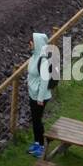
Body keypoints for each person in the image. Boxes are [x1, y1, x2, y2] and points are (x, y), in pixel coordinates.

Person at [25, 31, 55, 159]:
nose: (29, 44)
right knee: (35, 120)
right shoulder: (34, 56)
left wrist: (40, 98)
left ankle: (42, 147)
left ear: (36, 43)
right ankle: (37, 143)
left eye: (31, 42)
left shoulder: (43, 60)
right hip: (33, 94)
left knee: (38, 121)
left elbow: (44, 81)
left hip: (39, 97)